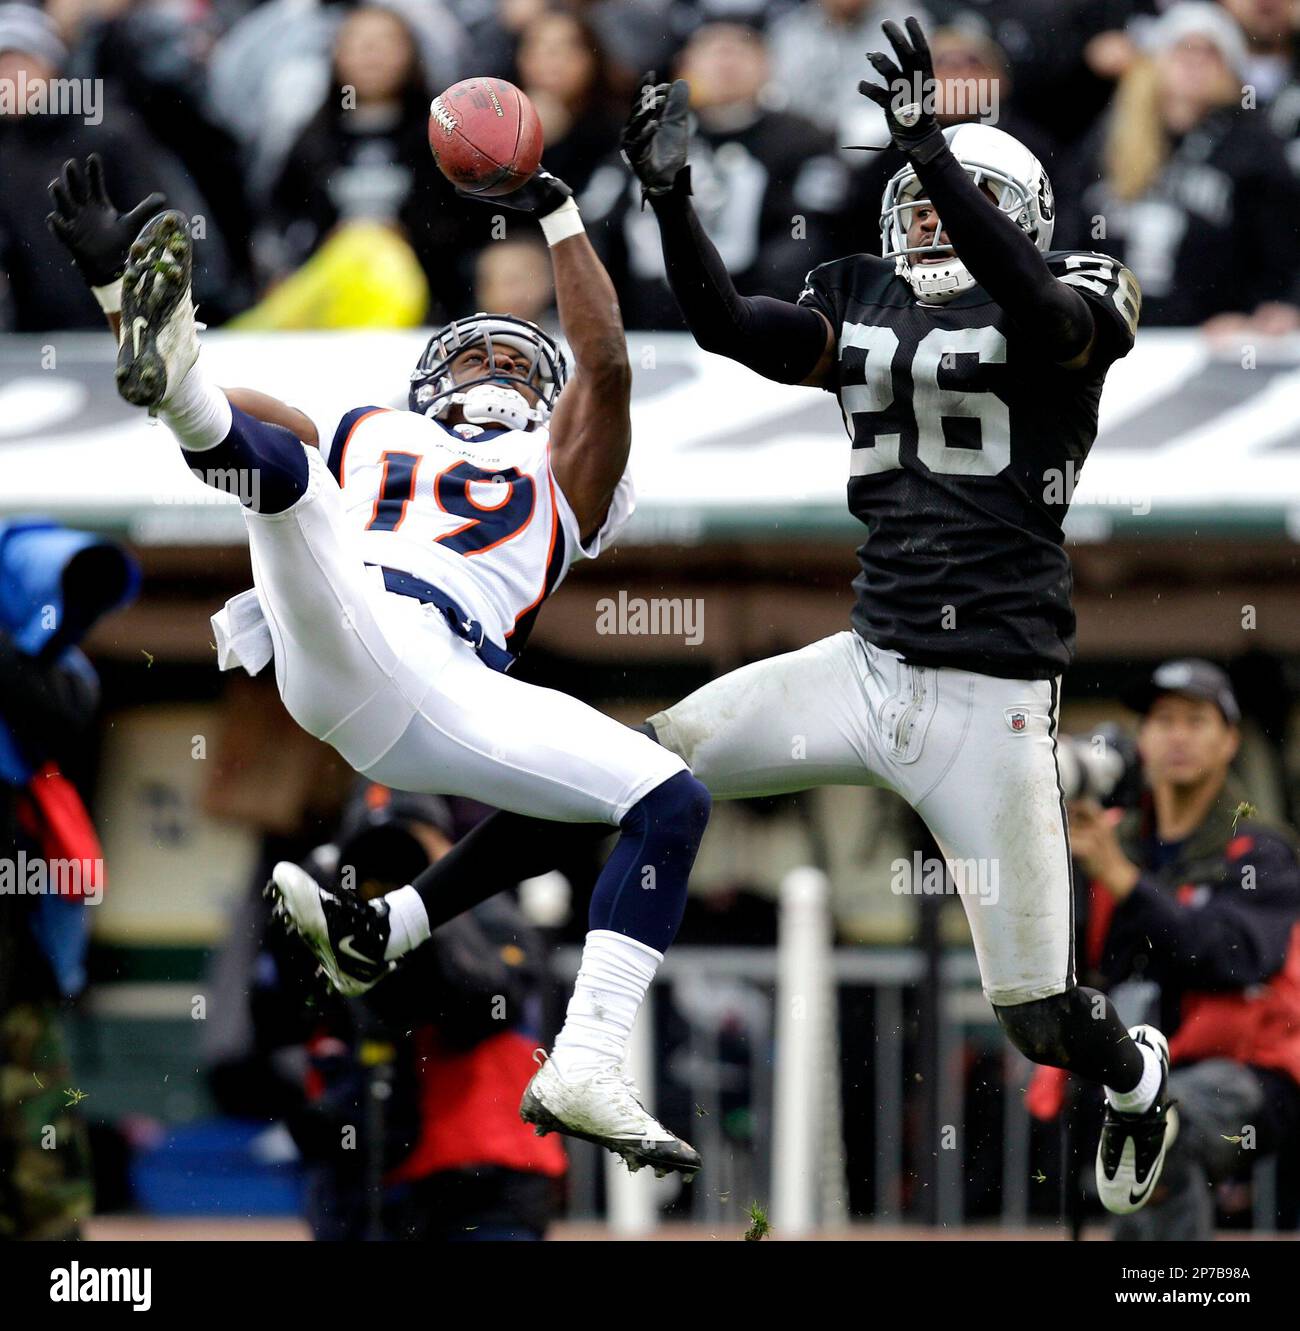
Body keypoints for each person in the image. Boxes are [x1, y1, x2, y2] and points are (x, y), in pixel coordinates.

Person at [377, 17, 1178, 1219]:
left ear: (1016, 209)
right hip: (864, 661)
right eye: (908, 199)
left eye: (944, 200)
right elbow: (725, 326)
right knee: (633, 770)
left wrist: (936, 155)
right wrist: (671, 197)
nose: (918, 220)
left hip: (992, 704)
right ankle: (401, 915)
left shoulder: (1078, 290)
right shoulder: (866, 295)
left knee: (1042, 1019)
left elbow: (1045, 324)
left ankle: (1137, 1078)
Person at [46, 155, 711, 1178]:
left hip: (451, 682)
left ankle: (563, 1044)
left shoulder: (565, 468)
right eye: (477, 355)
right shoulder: (367, 424)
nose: (495, 371)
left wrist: (560, 213)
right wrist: (116, 303)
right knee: (281, 471)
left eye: (517, 362)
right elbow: (193, 400)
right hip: (344, 621)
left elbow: (609, 367)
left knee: (667, 798)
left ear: (548, 396)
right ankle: (398, 932)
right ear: (429, 378)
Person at [206, 784, 567, 1241]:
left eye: (411, 841)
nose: (389, 866)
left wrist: (419, 914)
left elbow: (491, 1009)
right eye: (372, 844)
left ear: (447, 845)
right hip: (358, 1178)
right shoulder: (327, 910)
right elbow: (276, 1026)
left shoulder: (491, 908)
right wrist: (310, 923)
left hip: (481, 1176)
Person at [1068, 660, 1300, 1239]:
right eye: (1163, 720)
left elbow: (1234, 954)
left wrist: (1124, 879)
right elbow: (1077, 961)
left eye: (1196, 720)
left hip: (1248, 1075)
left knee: (1153, 1118)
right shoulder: (1109, 840)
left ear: (1230, 742)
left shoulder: (1261, 851)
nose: (1177, 735)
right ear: (1141, 739)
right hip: (1128, 1065)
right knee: (1136, 1152)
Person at [581, 20, 852, 328]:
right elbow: (597, 221)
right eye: (713, 51)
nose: (726, 62)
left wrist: (760, 308)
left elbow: (808, 231)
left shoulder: (802, 138)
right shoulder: (648, 133)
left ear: (767, 65)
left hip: (755, 322)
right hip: (645, 321)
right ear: (684, 66)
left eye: (740, 50)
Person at [1056, 2, 1300, 329]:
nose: (1194, 63)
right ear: (1155, 62)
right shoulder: (1108, 139)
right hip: (1112, 334)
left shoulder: (1254, 147)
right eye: (1182, 50)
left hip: (1211, 339)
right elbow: (1068, 235)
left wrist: (1267, 309)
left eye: (1210, 53)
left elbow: (1282, 250)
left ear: (1231, 69)